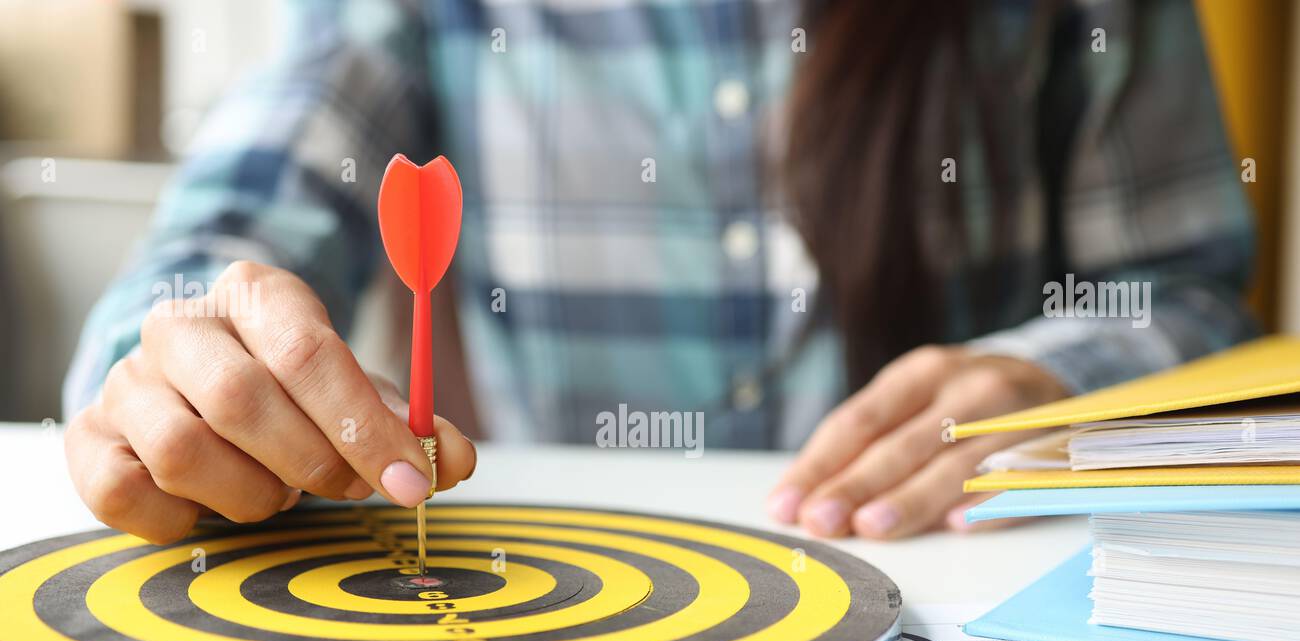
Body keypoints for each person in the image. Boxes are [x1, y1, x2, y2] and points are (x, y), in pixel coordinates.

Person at [63, 0, 1255, 545]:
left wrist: (1055, 384)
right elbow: (222, 234)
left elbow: (1193, 297)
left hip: (952, 578)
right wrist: (174, 364)